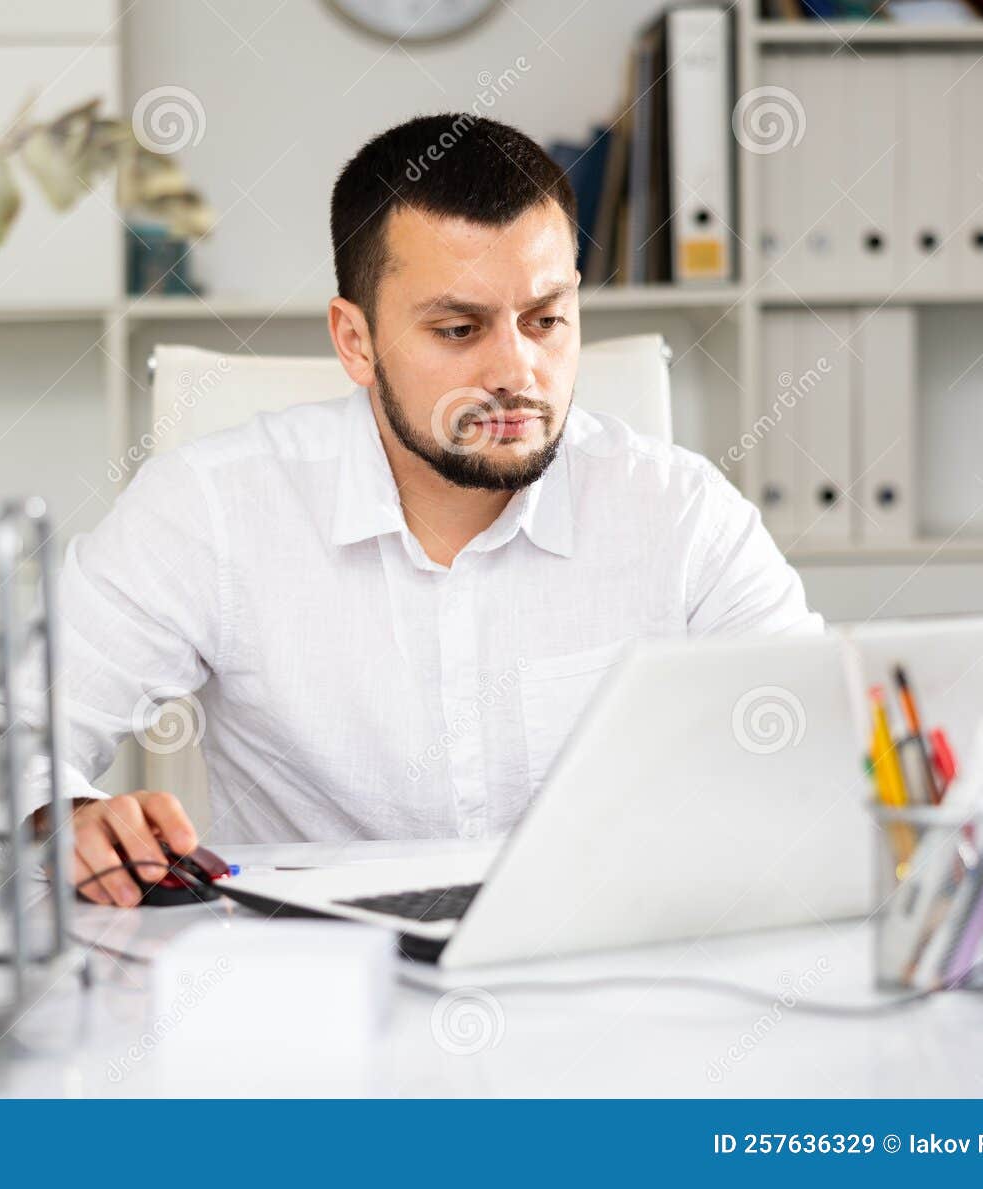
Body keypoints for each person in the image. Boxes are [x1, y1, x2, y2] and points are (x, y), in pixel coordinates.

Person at [56, 113, 821, 907]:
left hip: (601, 959)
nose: (517, 370)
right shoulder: (212, 506)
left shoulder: (682, 514)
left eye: (546, 320)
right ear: (355, 341)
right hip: (304, 967)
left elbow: (818, 750)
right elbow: (3, 735)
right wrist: (68, 815)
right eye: (459, 328)